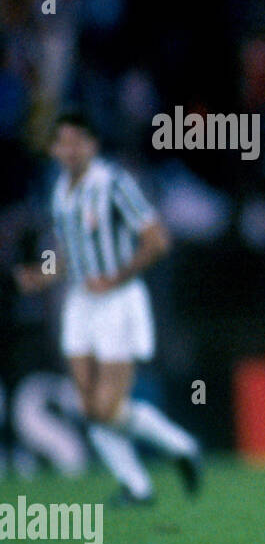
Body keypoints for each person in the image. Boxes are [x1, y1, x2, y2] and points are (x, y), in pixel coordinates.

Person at [13, 111, 202, 505]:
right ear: (54, 149)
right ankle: (137, 485)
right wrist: (40, 276)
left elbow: (157, 240)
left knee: (106, 405)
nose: (69, 149)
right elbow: (68, 253)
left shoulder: (114, 183)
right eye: (62, 142)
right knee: (89, 407)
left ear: (92, 145)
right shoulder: (59, 191)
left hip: (118, 301)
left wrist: (115, 278)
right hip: (81, 303)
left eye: (77, 141)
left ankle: (180, 445)